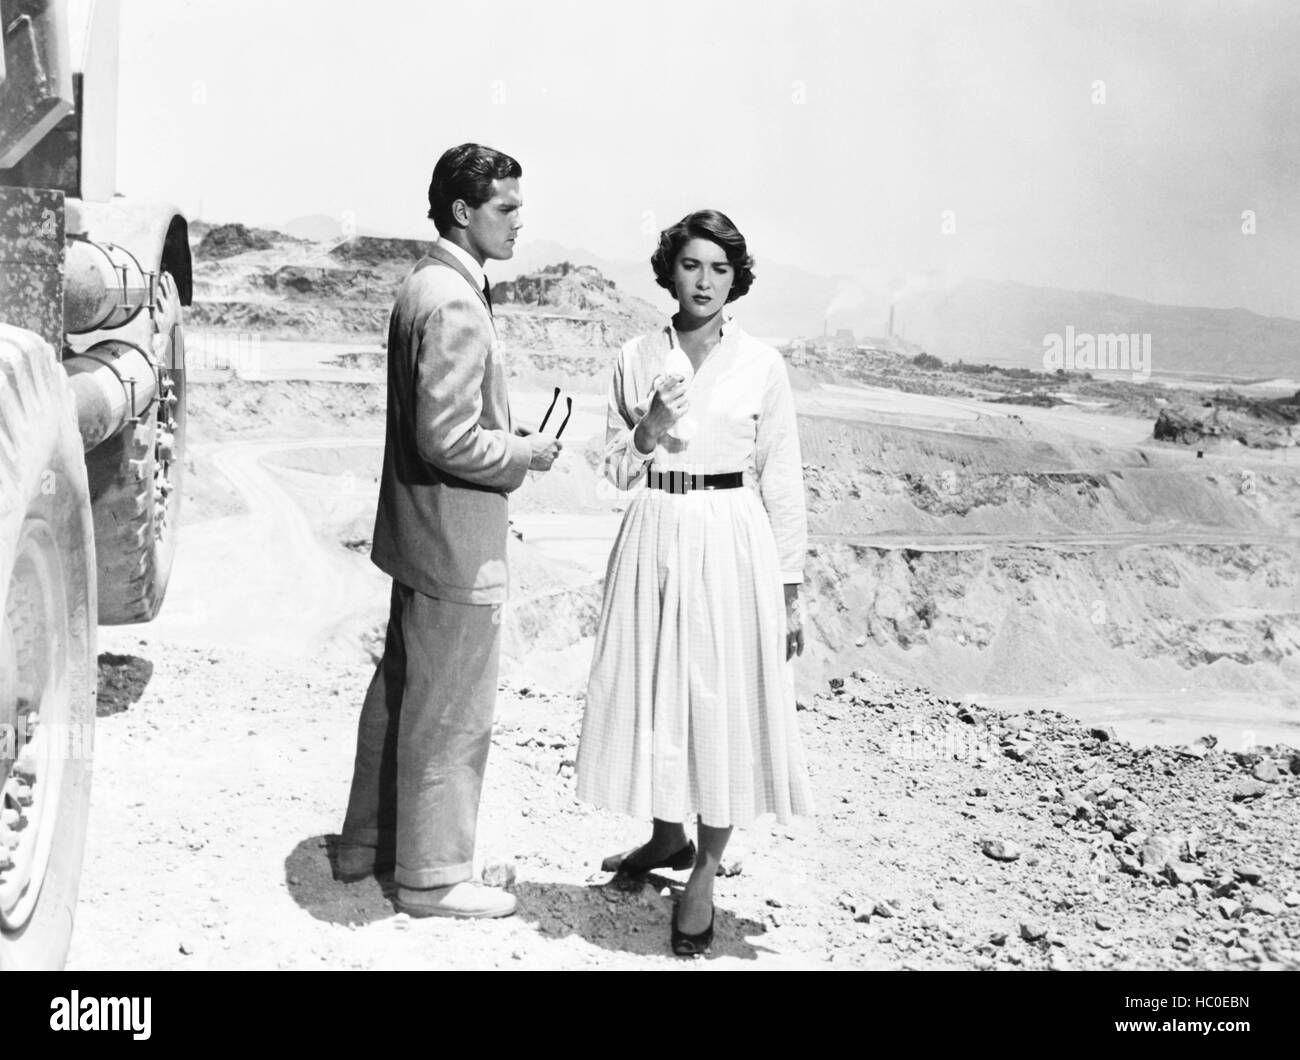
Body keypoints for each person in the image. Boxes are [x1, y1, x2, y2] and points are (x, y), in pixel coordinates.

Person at [575, 209, 813, 955]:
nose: (704, 281)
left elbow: (783, 478)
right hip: (653, 532)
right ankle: (666, 838)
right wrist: (646, 427)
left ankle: (704, 876)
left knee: (718, 702)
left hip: (731, 538)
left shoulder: (762, 366)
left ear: (736, 277)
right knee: (657, 693)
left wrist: (789, 588)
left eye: (719, 268)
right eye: (690, 266)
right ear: (668, 272)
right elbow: (615, 469)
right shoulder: (636, 354)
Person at [337, 143, 561, 919]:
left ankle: (367, 845)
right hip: (456, 542)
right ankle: (432, 878)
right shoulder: (459, 300)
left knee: (401, 694)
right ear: (463, 212)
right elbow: (447, 438)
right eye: (506, 209)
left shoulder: (423, 283)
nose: (518, 223)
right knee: (453, 712)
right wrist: (522, 453)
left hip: (416, 535)